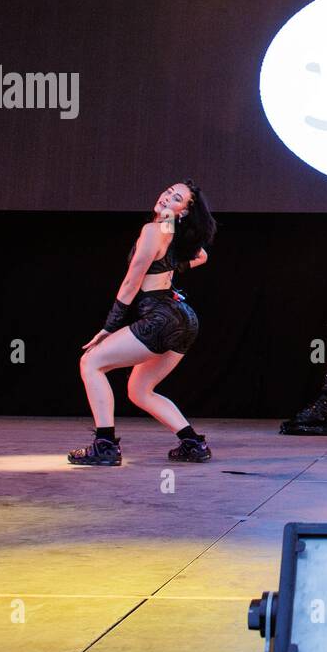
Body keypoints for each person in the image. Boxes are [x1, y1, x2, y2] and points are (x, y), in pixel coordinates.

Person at [69, 179, 217, 466]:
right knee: (139, 390)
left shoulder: (153, 230)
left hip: (160, 317)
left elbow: (131, 281)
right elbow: (202, 255)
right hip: (185, 319)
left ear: (183, 212)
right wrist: (173, 268)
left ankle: (105, 446)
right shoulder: (170, 230)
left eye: (176, 199)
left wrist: (109, 327)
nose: (166, 198)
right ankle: (192, 443)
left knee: (90, 362)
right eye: (168, 192)